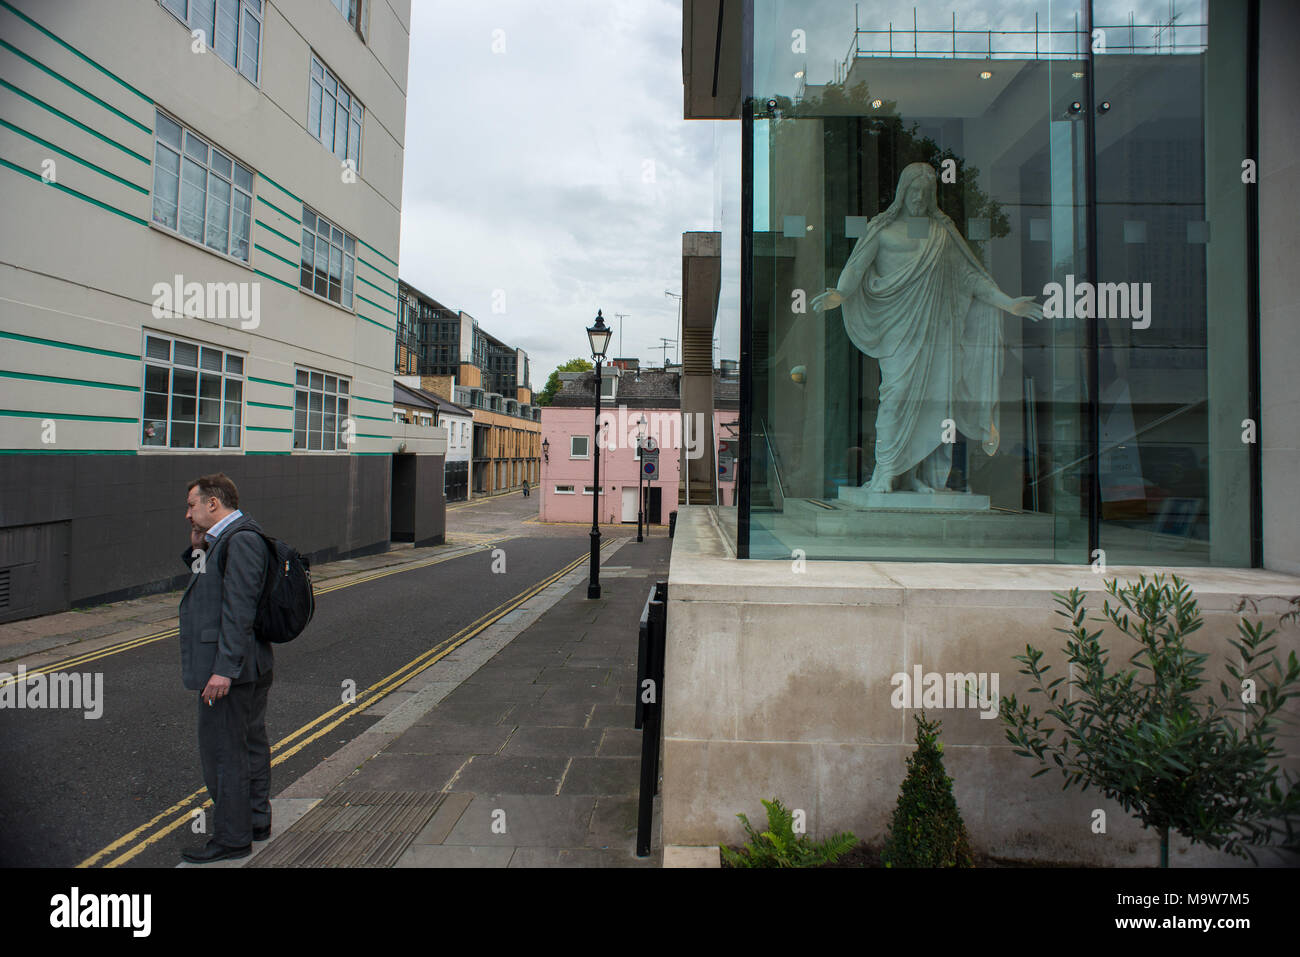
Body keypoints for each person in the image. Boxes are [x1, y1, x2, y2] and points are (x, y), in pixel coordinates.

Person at [813, 162, 1043, 494]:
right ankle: (884, 471)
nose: (919, 198)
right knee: (895, 397)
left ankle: (913, 476)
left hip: (936, 332)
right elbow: (856, 268)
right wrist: (839, 294)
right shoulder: (882, 231)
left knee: (933, 402)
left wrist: (1008, 303)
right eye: (914, 190)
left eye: (926, 192)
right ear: (902, 192)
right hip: (898, 329)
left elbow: (970, 278)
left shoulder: (941, 235)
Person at [179, 473, 273, 863]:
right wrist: (199, 547)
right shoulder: (226, 540)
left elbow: (239, 612)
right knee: (248, 745)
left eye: (192, 505)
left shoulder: (243, 540)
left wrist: (223, 670)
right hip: (243, 666)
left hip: (232, 670)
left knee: (224, 754)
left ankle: (232, 839)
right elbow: (214, 588)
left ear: (213, 504)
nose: (188, 514)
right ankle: (254, 822)